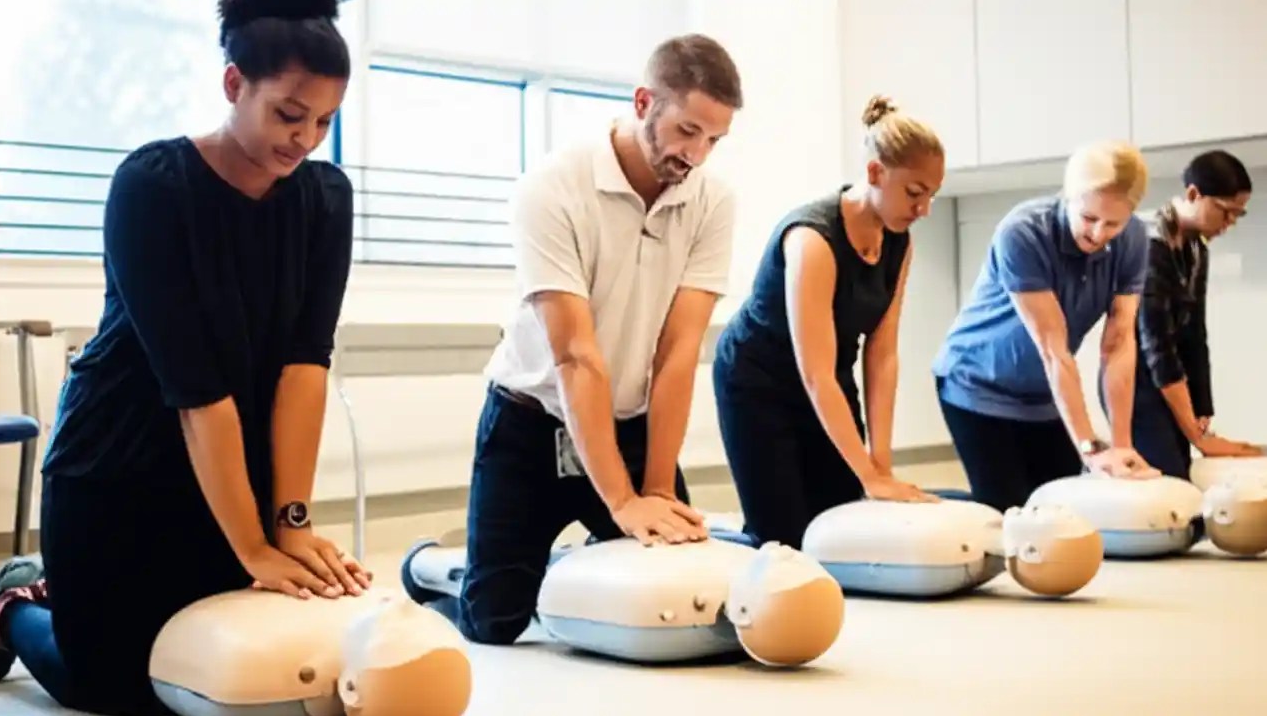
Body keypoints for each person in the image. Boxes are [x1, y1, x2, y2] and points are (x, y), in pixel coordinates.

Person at [0, 0, 367, 715]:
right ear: (233, 85)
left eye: (323, 121)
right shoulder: (153, 186)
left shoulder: (325, 199)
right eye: (289, 114)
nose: (306, 140)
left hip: (231, 477)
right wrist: (253, 549)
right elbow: (198, 390)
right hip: (118, 467)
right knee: (116, 687)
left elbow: (304, 365)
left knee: (218, 671)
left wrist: (286, 524)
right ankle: (15, 598)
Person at [403, 34, 743, 647]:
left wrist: (657, 489)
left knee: (671, 590)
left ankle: (561, 566)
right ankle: (431, 565)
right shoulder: (553, 187)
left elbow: (677, 354)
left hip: (632, 427)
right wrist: (622, 502)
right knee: (496, 621)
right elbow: (576, 357)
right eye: (688, 130)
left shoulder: (712, 201)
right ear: (644, 102)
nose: (697, 154)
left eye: (714, 140)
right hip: (531, 423)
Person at [709, 96, 944, 550]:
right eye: (915, 193)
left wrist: (880, 466)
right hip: (758, 381)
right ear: (875, 173)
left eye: (932, 195)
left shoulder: (899, 243)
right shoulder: (812, 239)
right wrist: (869, 475)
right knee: (783, 539)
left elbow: (882, 355)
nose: (924, 209)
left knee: (841, 520)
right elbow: (813, 374)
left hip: (830, 376)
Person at [932, 141, 1161, 513]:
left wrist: (1121, 445)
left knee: (1062, 511)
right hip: (977, 383)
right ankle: (918, 503)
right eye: (1089, 218)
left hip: (1043, 397)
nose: (1100, 233)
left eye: (1113, 223)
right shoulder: (1023, 232)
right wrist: (1089, 446)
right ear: (1068, 196)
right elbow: (1053, 348)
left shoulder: (1134, 239)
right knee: (1010, 514)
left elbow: (1118, 343)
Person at [1130, 150, 1262, 479]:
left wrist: (1203, 409)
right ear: (1193, 194)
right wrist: (1200, 437)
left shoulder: (1196, 250)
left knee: (1185, 472)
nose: (1229, 223)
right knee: (1167, 479)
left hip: (1170, 379)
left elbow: (1194, 334)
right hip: (1136, 383)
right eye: (1226, 212)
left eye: (1237, 215)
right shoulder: (1148, 242)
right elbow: (1156, 345)